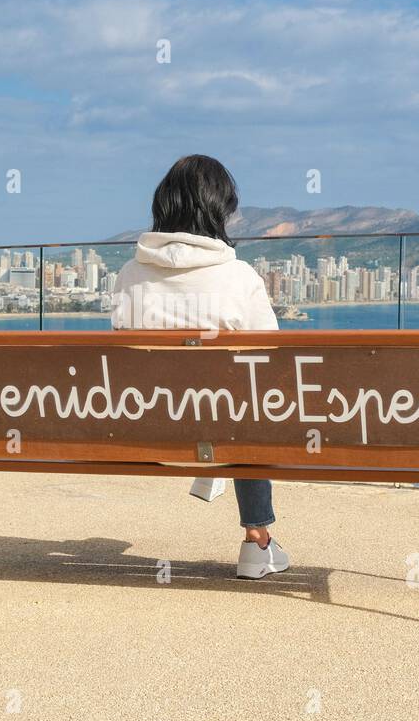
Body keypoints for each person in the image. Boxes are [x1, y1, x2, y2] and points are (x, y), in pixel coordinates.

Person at [110, 155, 290, 580]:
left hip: (142, 430)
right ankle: (257, 542)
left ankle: (212, 462)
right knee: (247, 409)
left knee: (223, 406)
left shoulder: (129, 274)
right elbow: (272, 360)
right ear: (218, 210)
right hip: (224, 432)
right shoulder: (240, 277)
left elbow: (120, 355)